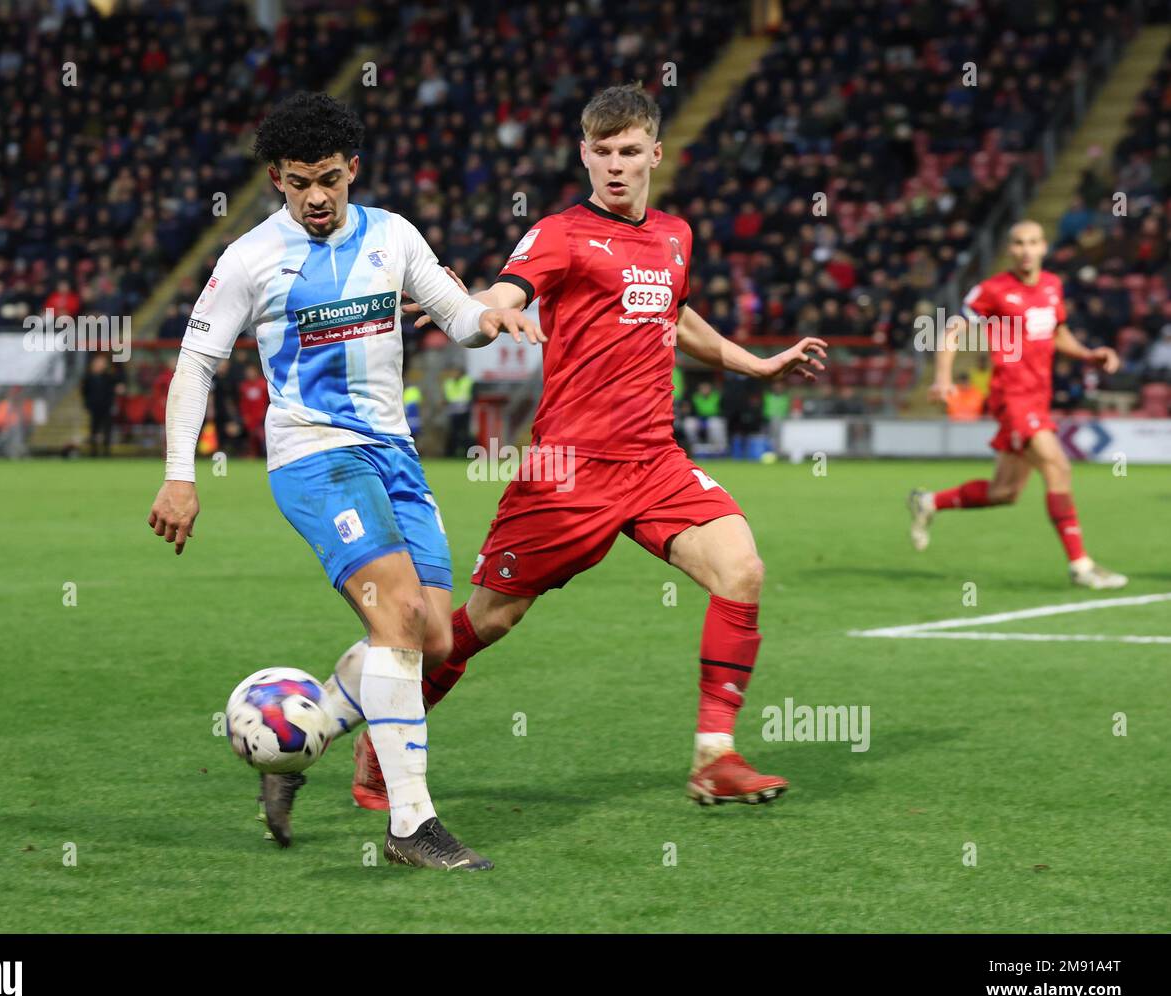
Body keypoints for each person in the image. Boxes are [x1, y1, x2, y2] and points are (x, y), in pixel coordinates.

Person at [357, 84, 825, 810]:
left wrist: (754, 362)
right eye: (602, 152)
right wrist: (475, 310)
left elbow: (678, 310)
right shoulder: (560, 234)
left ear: (655, 155)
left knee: (742, 569)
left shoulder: (675, 235)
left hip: (656, 462)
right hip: (568, 470)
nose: (615, 164)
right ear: (583, 154)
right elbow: (508, 293)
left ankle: (715, 757)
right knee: (488, 621)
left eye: (629, 151)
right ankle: (385, 741)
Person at [146, 92, 540, 870]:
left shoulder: (394, 237)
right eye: (299, 183)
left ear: (353, 169)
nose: (317, 198)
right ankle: (411, 826)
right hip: (314, 456)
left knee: (430, 637)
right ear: (275, 179)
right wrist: (178, 476)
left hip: (393, 454)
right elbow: (195, 364)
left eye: (329, 178)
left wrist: (489, 316)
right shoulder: (250, 259)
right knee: (395, 613)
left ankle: (301, 741)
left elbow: (457, 321)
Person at [909, 220, 1126, 589]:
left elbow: (1057, 333)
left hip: (1038, 399)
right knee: (1058, 466)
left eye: (1033, 242)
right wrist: (943, 378)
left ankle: (928, 502)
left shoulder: (1052, 286)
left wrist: (1089, 355)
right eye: (1019, 243)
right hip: (1012, 397)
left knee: (1005, 492)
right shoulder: (994, 291)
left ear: (1044, 247)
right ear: (1010, 249)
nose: (1026, 250)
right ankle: (1081, 566)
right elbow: (953, 329)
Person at [81, 354, 118, 456]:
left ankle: (106, 452)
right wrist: (88, 404)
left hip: (106, 407)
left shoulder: (109, 377)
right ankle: (94, 452)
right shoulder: (88, 378)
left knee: (107, 430)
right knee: (94, 430)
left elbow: (112, 391)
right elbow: (85, 392)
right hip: (94, 408)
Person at [441, 366, 473, 456]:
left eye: (455, 371)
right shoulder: (448, 382)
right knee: (453, 433)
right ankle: (452, 454)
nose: (453, 374)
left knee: (465, 433)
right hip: (453, 411)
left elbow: (472, 395)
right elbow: (447, 396)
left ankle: (468, 453)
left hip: (464, 411)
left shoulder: (467, 381)